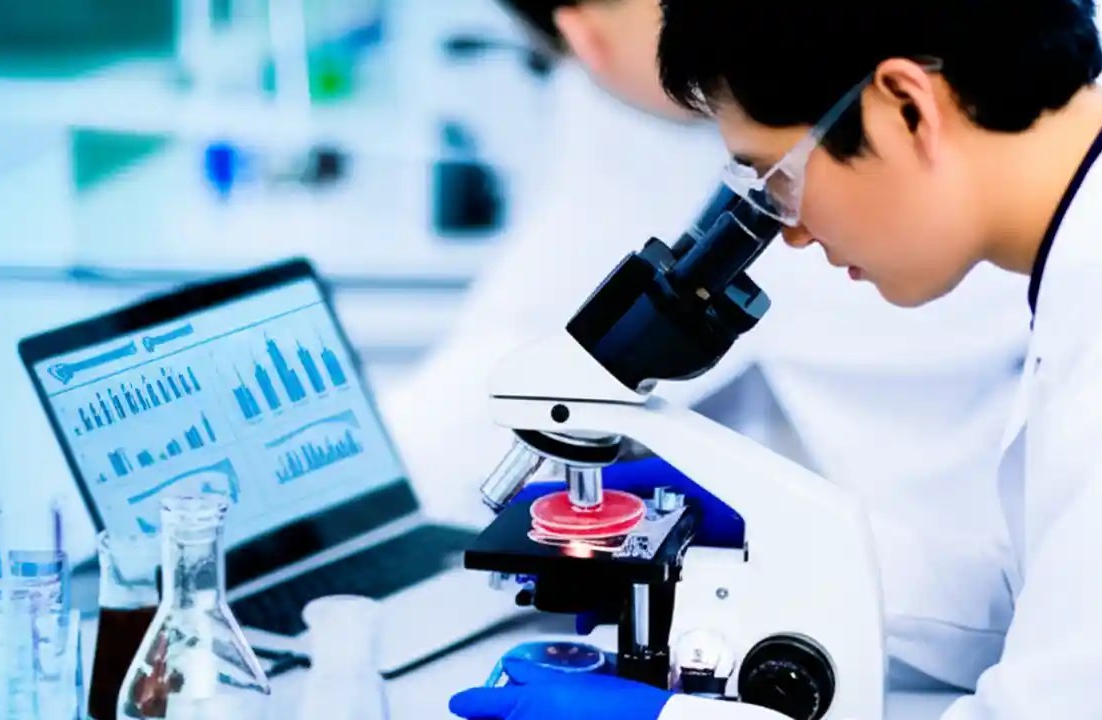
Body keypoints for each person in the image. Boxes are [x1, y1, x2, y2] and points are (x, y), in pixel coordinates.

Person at [448, 0, 1102, 718]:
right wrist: (784, 529)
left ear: (905, 107)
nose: (794, 232)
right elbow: (1050, 610)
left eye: (775, 179)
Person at [390, 0, 1029, 695]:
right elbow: (1015, 608)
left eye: (777, 179)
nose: (792, 232)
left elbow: (1063, 686)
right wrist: (760, 532)